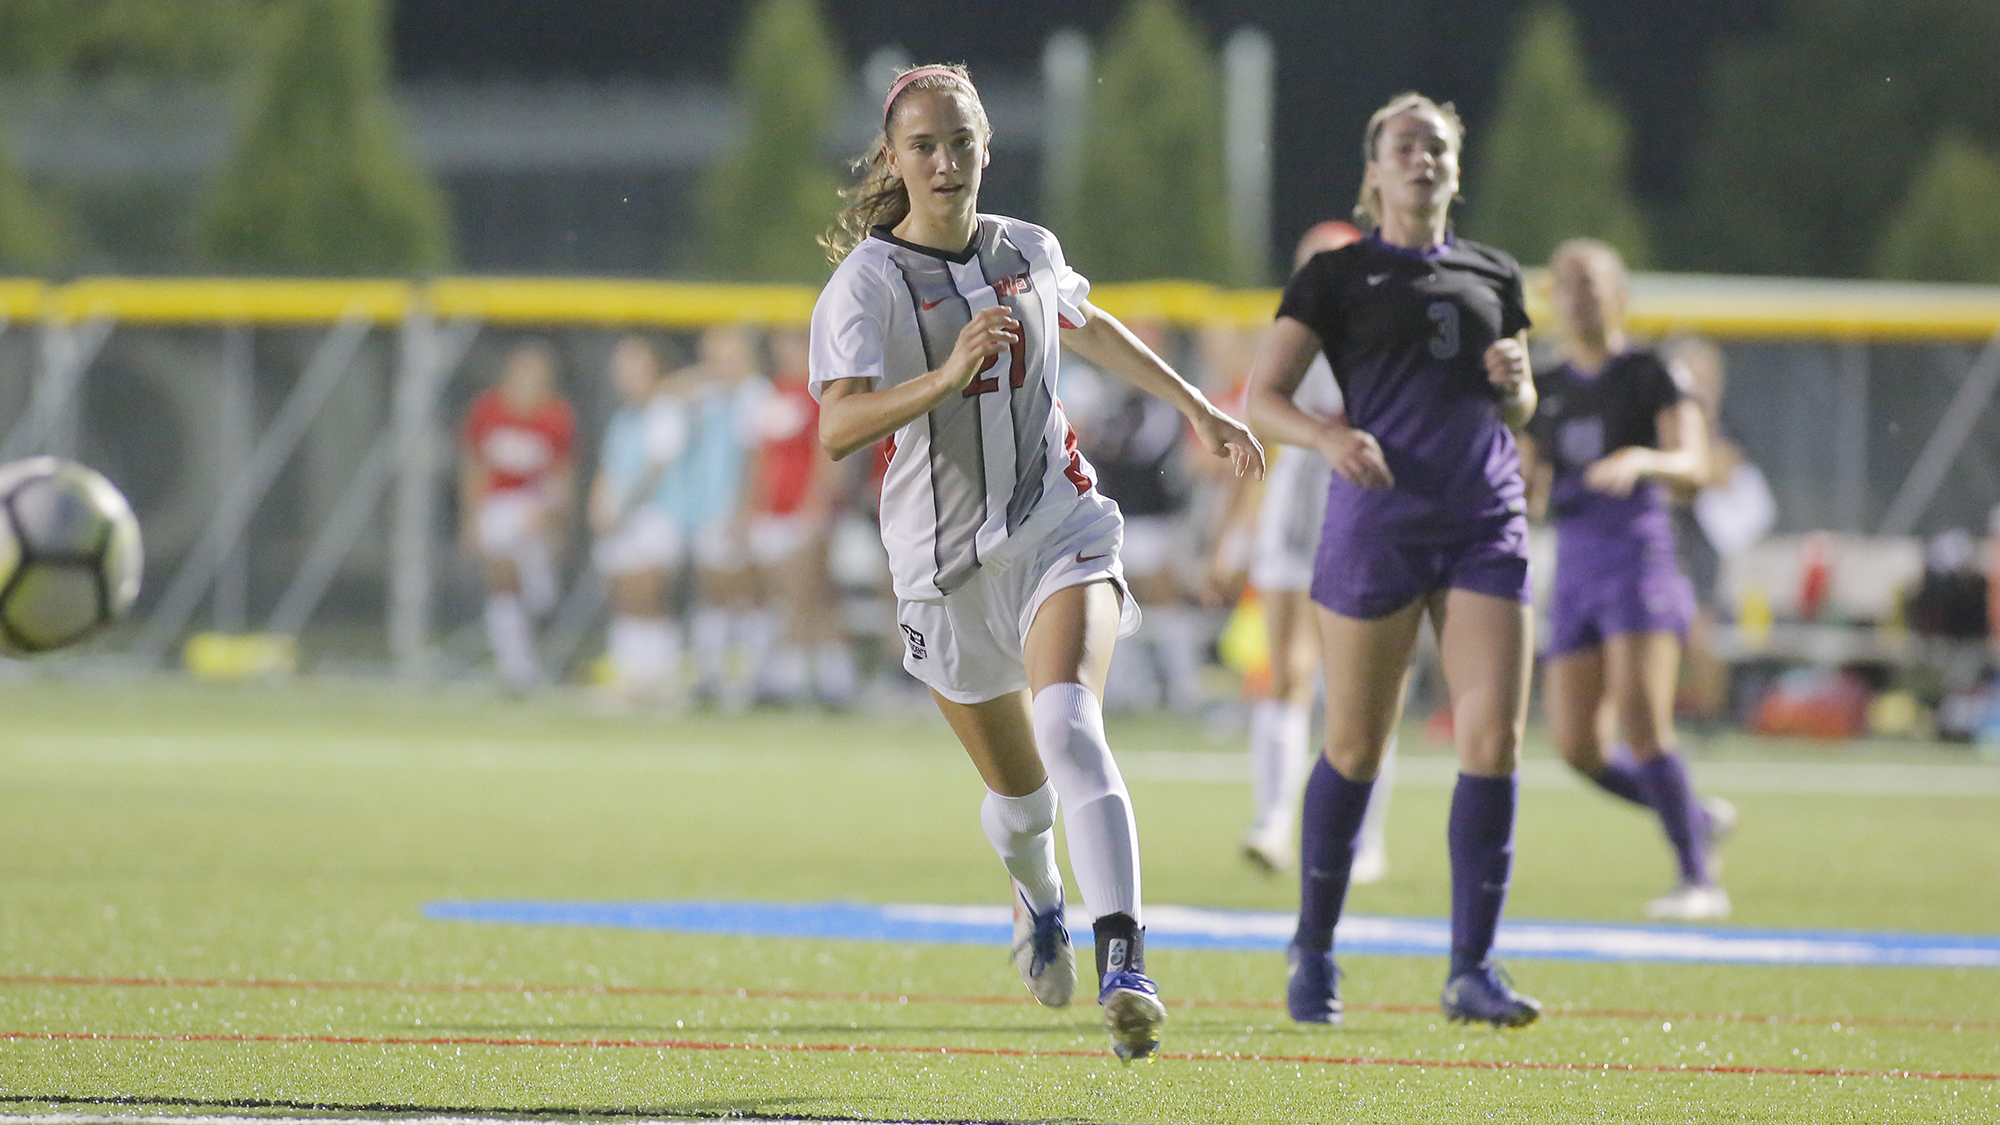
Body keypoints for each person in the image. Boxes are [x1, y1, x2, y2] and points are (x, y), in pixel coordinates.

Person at [810, 63, 1263, 1060]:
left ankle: (1125, 961)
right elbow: (837, 427)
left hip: (1058, 527)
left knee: (1068, 723)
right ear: (893, 157)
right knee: (1020, 806)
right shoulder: (867, 283)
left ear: (986, 147)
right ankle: (1038, 893)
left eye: (960, 141)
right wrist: (945, 375)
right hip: (941, 569)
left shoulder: (1027, 247)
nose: (944, 161)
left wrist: (1198, 407)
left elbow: (1086, 325)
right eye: (923, 145)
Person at [1244, 93, 1540, 1029]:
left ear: (1457, 165)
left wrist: (1520, 388)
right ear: (1374, 171)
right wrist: (1328, 438)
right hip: (1379, 519)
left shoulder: (1494, 270)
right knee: (1356, 745)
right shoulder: (1337, 274)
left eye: (1437, 146)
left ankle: (1471, 968)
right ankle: (1314, 946)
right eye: (1405, 146)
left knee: (1493, 741)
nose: (1423, 159)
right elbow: (1262, 398)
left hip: (1483, 517)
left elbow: (1519, 405)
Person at [1526, 239, 1734, 921]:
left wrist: (1644, 459)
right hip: (1576, 567)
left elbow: (1695, 465)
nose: (1579, 296)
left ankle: (1698, 879)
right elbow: (1528, 485)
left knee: (1644, 724)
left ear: (1618, 293)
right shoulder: (1545, 386)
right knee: (1577, 746)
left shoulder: (1650, 371)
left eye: (1591, 282)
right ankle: (1696, 816)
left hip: (1638, 561)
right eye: (1567, 283)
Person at [1219, 221, 1400, 881]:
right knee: (1287, 670)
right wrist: (1236, 530)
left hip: (1366, 495)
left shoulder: (1385, 329)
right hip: (1299, 499)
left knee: (1363, 687)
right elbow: (1258, 427)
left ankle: (1364, 837)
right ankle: (1272, 821)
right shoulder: (1289, 331)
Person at [744, 327, 855, 707]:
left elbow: (829, 449)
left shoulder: (821, 392)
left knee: (810, 592)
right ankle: (790, 675)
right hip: (772, 511)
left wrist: (818, 501)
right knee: (782, 596)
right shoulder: (773, 392)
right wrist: (752, 505)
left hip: (804, 509)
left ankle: (835, 678)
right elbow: (761, 457)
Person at [461, 339, 576, 693]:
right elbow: (476, 467)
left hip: (536, 507)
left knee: (536, 594)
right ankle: (515, 666)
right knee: (502, 578)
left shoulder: (555, 416)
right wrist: (471, 518)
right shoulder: (489, 410)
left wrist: (554, 517)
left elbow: (561, 476)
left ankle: (537, 632)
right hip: (497, 505)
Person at [589, 335, 688, 706]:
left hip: (656, 517)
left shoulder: (666, 412)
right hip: (622, 520)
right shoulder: (623, 420)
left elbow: (655, 470)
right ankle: (630, 673)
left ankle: (661, 676)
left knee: (648, 596)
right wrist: (599, 510)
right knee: (624, 598)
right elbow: (610, 469)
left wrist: (622, 511)